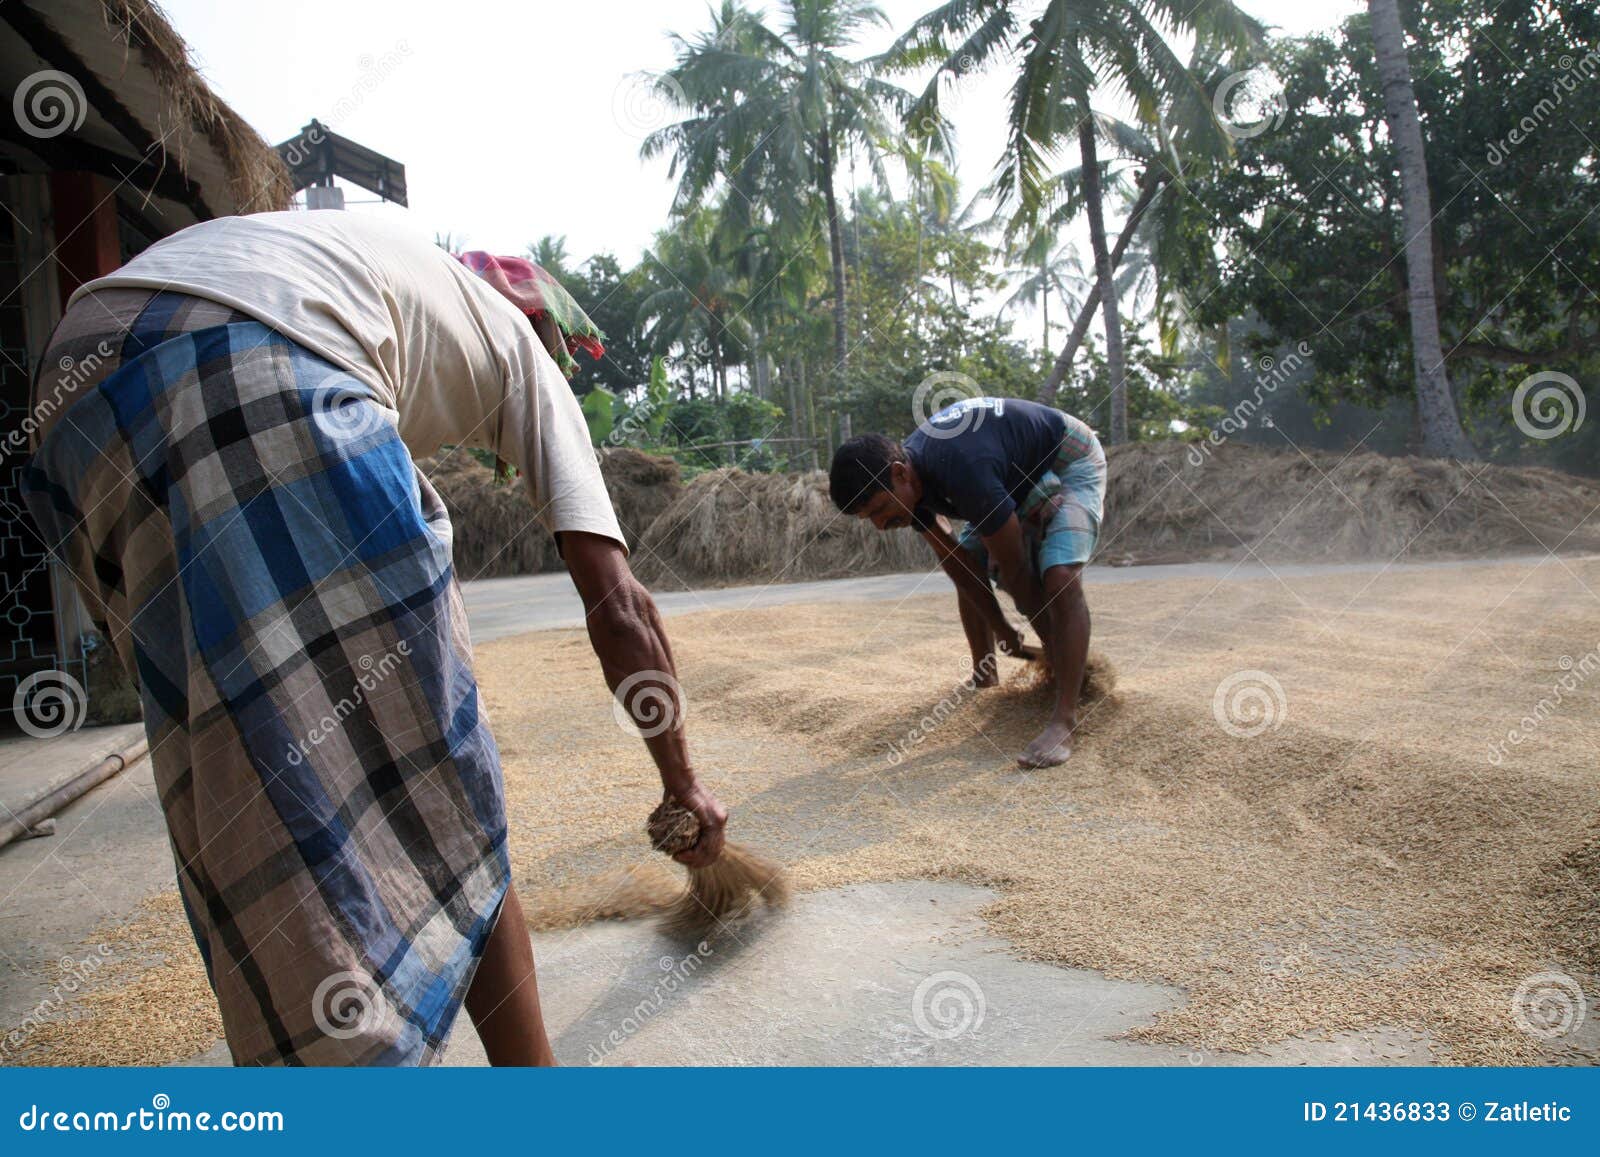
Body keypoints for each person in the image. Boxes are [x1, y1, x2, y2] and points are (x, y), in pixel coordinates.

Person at [21, 211, 726, 1066]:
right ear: (543, 325)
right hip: (257, 361)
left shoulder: (368, 278)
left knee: (244, 775)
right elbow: (618, 603)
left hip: (71, 400)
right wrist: (685, 786)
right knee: (445, 780)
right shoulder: (518, 349)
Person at [827, 397, 1106, 767]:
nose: (880, 525)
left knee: (1058, 577)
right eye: (869, 518)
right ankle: (984, 673)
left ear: (900, 473)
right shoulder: (910, 485)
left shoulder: (964, 470)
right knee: (971, 561)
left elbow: (1016, 570)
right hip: (1010, 475)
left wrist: (1051, 650)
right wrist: (1002, 628)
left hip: (1065, 459)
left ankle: (1066, 718)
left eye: (879, 509)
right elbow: (957, 563)